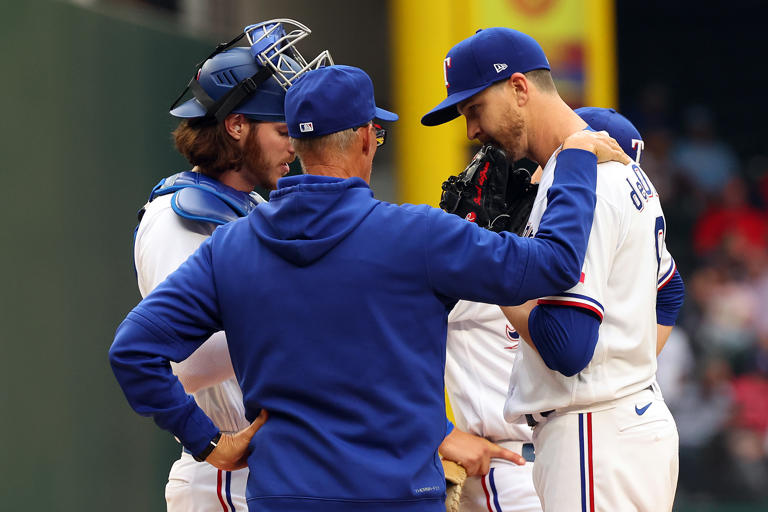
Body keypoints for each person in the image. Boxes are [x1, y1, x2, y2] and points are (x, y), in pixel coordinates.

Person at [110, 63, 628, 512]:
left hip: (283, 495)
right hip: (396, 495)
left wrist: (206, 441)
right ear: (365, 138)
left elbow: (133, 352)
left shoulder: (231, 248)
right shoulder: (419, 235)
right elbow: (556, 264)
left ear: (297, 143)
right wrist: (574, 158)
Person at [422, 28, 685, 511]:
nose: (471, 131)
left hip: (593, 435)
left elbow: (567, 344)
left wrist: (494, 265)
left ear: (519, 88)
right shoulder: (617, 168)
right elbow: (671, 289)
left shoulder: (582, 180)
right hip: (625, 422)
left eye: (474, 109)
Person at [132, 19, 331, 511]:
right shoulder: (180, 216)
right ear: (236, 125)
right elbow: (183, 363)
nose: (295, 145)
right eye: (283, 130)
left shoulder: (258, 208)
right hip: (227, 474)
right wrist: (304, 309)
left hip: (281, 468)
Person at [442, 107, 657, 512]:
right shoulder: (494, 244)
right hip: (508, 458)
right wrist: (437, 432)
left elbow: (670, 291)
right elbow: (386, 332)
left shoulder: (595, 243)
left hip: (581, 438)